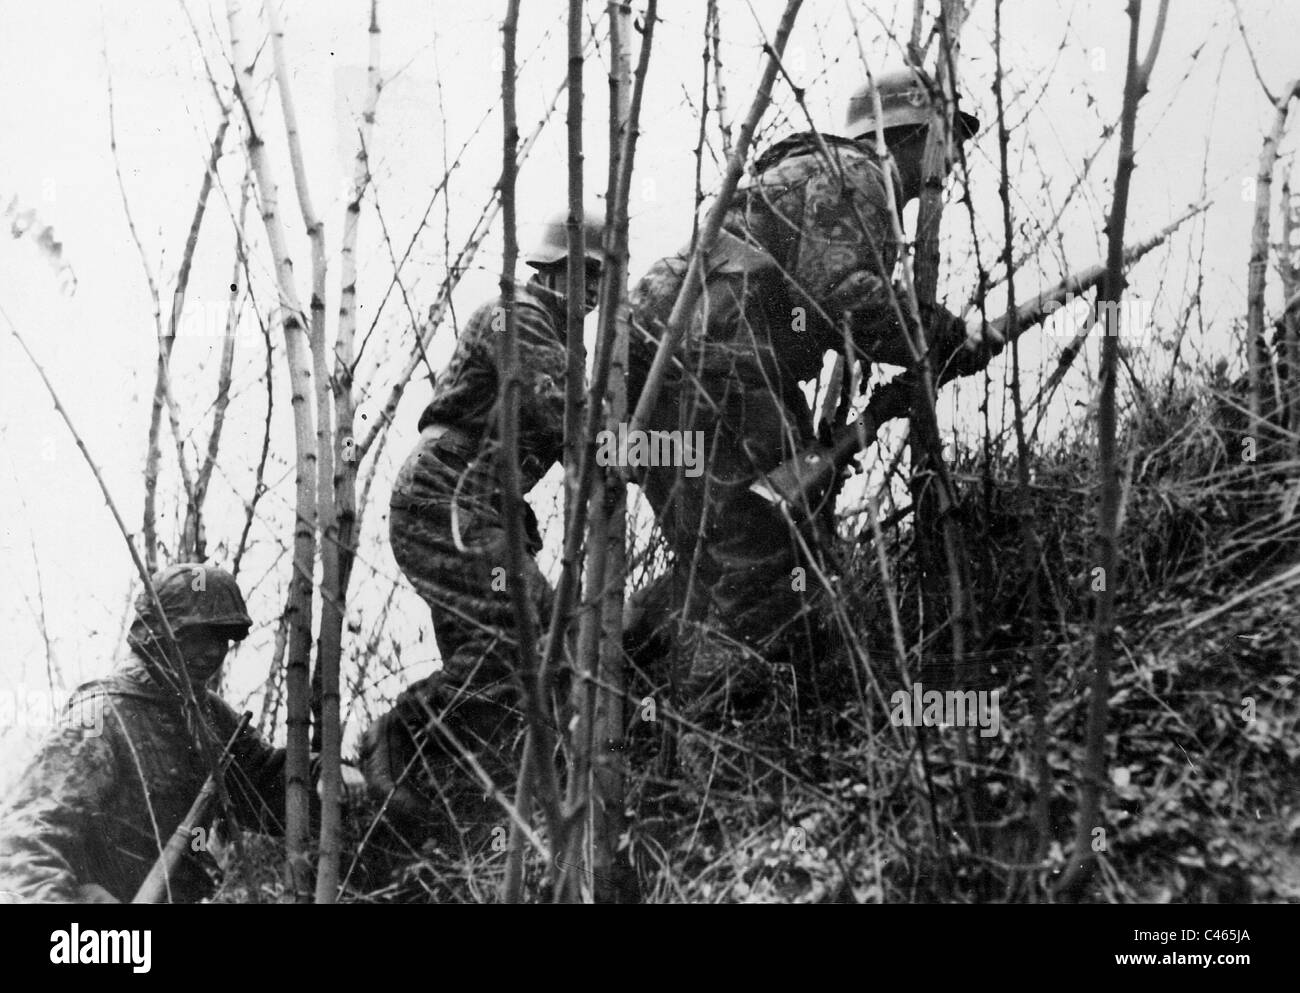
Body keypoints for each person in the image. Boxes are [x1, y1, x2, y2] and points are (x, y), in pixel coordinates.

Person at [627, 68, 981, 707]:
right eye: (946, 139)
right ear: (910, 134)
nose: (951, 162)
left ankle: (612, 673)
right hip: (716, 367)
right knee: (767, 561)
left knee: (719, 560)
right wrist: (944, 336)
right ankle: (711, 745)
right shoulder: (857, 173)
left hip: (658, 373)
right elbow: (852, 299)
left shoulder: (808, 173)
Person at [363, 210, 606, 833]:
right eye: (592, 277)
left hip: (478, 499)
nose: (598, 296)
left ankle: (437, 790)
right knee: (528, 623)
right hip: (448, 492)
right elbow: (566, 412)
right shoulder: (518, 315)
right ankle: (396, 735)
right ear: (558, 273)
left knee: (493, 661)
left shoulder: (553, 334)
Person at [0, 564, 314, 903]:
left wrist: (328, 774)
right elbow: (26, 841)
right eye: (195, 637)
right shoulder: (102, 717)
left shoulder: (210, 716)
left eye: (221, 638)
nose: (212, 652)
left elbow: (269, 787)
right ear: (155, 635)